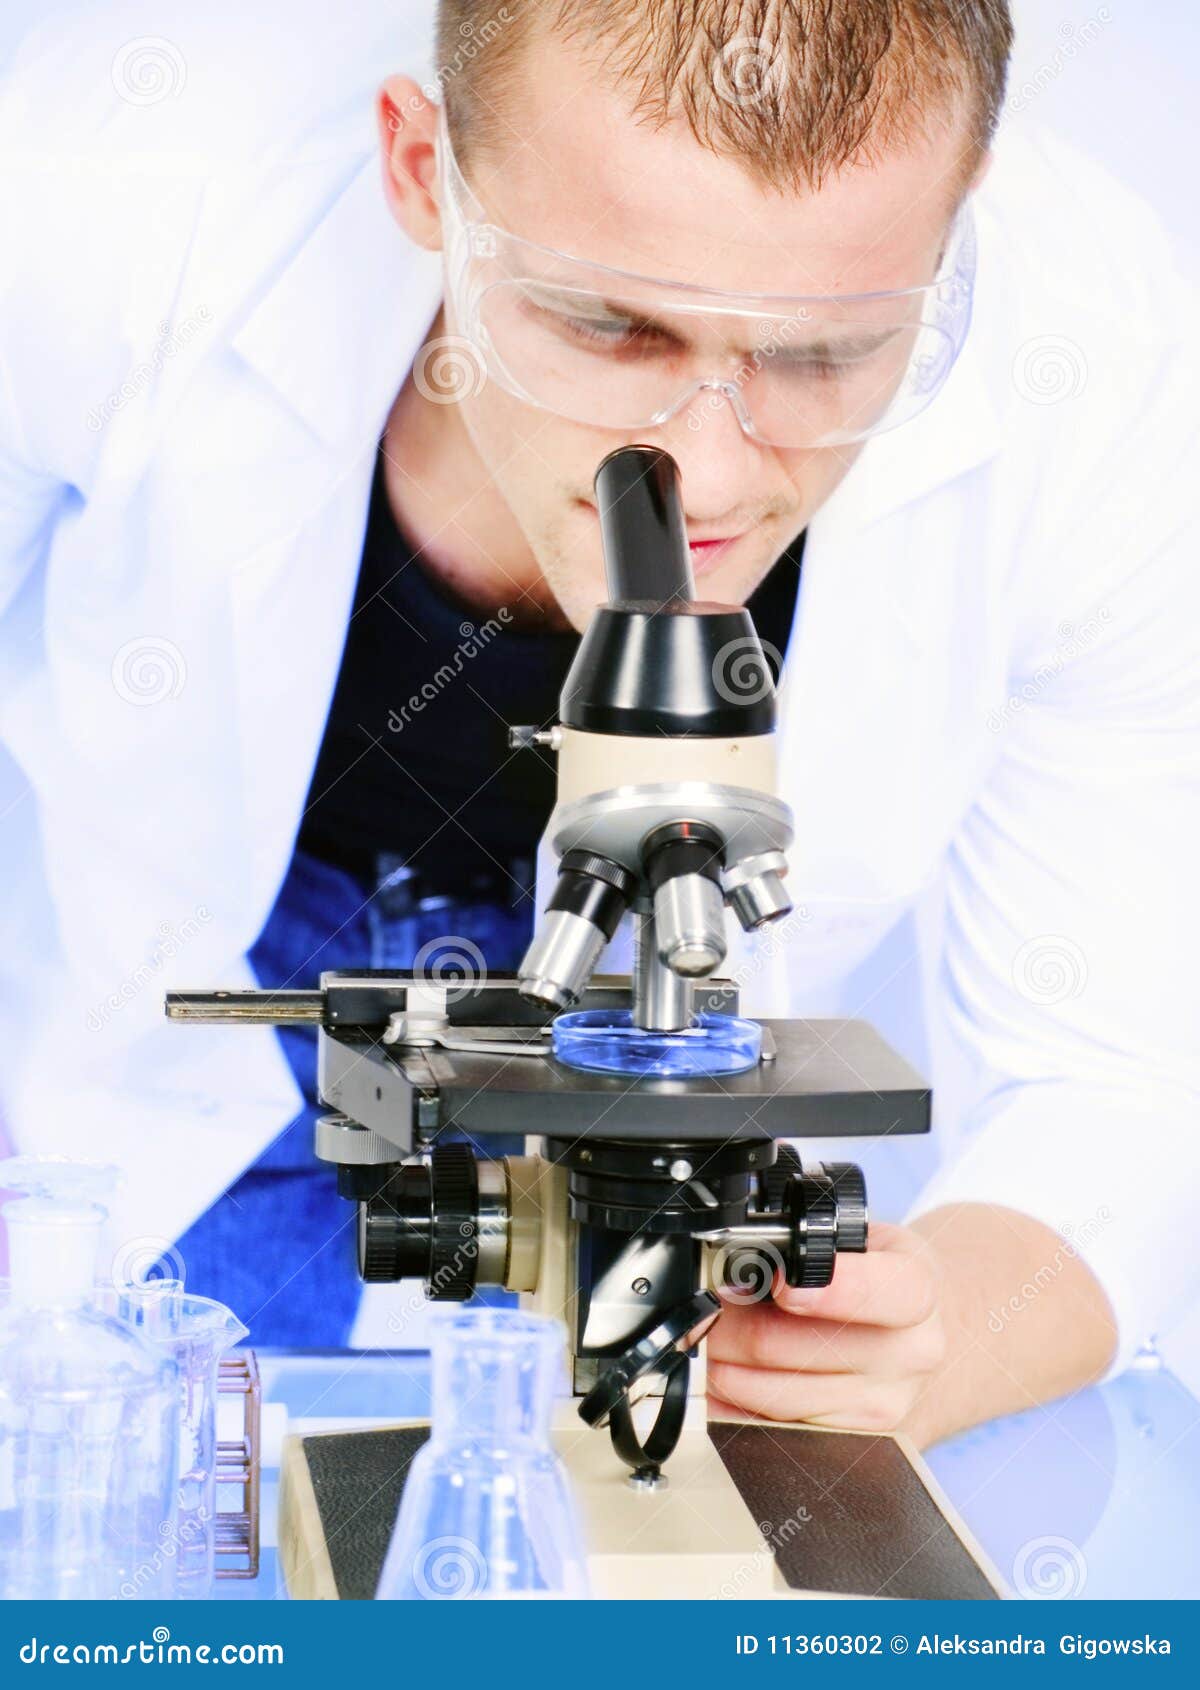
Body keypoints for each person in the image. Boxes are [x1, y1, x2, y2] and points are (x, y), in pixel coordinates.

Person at [0, 0, 1196, 1446]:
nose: (704, 474)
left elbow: (1112, 1085)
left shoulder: (1106, 372)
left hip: (663, 1100)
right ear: (423, 170)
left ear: (952, 238)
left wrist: (929, 1342)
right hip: (184, 1028)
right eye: (613, 326)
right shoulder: (94, 206)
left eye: (822, 351)